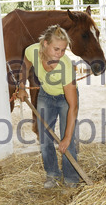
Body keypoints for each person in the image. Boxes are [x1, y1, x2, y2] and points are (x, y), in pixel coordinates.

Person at [17, 25, 79, 189]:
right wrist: (21, 86)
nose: (59, 54)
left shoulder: (65, 67)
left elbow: (73, 106)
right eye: (56, 49)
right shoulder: (32, 51)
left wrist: (65, 138)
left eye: (63, 50)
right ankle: (52, 174)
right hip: (46, 95)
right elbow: (25, 65)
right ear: (44, 44)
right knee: (44, 138)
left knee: (69, 140)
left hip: (65, 100)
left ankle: (71, 179)